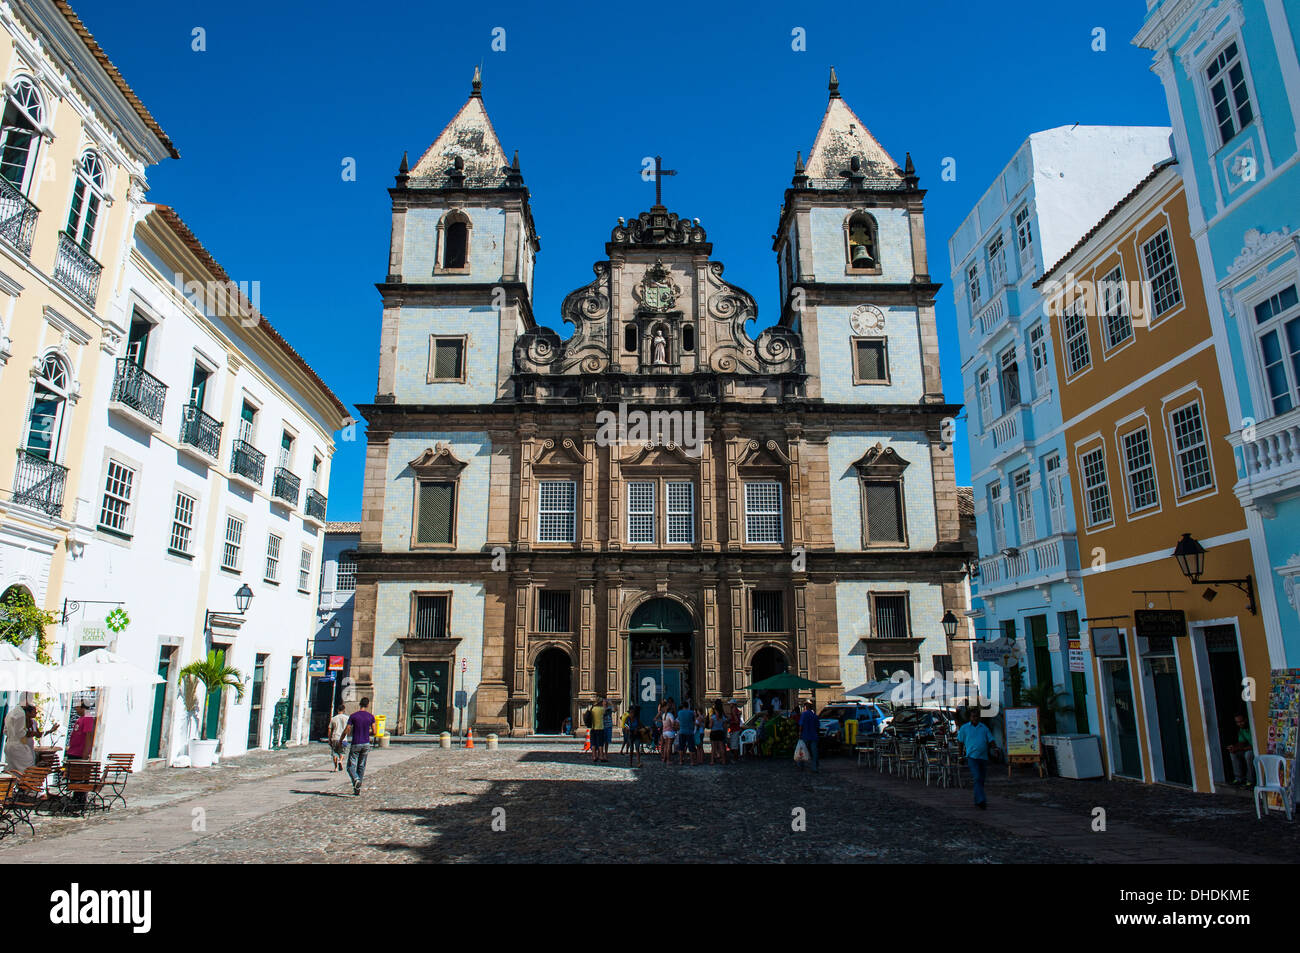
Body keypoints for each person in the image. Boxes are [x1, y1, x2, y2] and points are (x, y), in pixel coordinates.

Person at [956, 707, 995, 809]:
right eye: (973, 716)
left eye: (977, 716)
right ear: (970, 717)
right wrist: (960, 756)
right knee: (977, 777)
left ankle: (977, 798)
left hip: (983, 757)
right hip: (971, 757)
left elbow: (990, 740)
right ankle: (981, 800)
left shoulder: (984, 728)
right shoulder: (964, 728)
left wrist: (994, 749)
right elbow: (960, 742)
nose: (975, 718)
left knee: (981, 779)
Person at [4, 703, 56, 775]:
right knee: (22, 770)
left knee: (24, 770)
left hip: (28, 749)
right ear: (28, 712)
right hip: (18, 749)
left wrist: (50, 731)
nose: (36, 713)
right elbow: (21, 734)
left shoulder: (34, 722)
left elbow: (38, 735)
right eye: (34, 711)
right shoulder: (20, 721)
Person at [341, 698, 377, 795]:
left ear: (360, 704)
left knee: (350, 766)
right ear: (368, 705)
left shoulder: (353, 716)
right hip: (366, 743)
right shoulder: (371, 717)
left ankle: (356, 779)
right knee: (361, 766)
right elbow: (374, 732)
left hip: (356, 743)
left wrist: (341, 739)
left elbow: (347, 729)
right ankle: (357, 789)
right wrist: (367, 731)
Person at [1227, 713, 1254, 786]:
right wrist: (1234, 747)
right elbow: (1242, 742)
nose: (1240, 724)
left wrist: (1242, 748)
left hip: (1255, 751)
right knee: (1233, 753)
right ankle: (1239, 779)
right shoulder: (1242, 730)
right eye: (1237, 722)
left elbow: (1255, 746)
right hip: (1247, 749)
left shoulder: (1252, 727)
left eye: (1241, 721)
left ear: (1246, 720)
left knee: (1248, 754)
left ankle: (1250, 780)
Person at [797, 700, 820, 772]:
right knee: (814, 753)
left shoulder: (804, 714)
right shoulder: (814, 715)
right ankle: (814, 767)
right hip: (814, 736)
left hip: (805, 736)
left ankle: (801, 765)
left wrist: (800, 733)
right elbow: (818, 727)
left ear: (806, 707)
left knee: (802, 751)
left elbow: (801, 725)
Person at [328, 702, 349, 771]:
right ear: (344, 710)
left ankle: (336, 767)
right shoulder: (347, 718)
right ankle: (340, 760)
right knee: (342, 752)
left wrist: (329, 739)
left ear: (337, 710)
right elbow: (349, 727)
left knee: (334, 752)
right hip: (344, 739)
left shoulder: (333, 718)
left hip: (335, 738)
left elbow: (329, 729)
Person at [709, 700, 730, 765]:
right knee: (722, 747)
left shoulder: (713, 717)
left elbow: (710, 726)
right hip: (720, 732)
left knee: (713, 748)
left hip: (714, 732)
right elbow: (724, 725)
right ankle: (723, 760)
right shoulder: (723, 717)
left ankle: (712, 761)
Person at [589, 697, 608, 763]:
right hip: (600, 728)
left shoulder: (592, 709)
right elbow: (605, 712)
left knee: (593, 743)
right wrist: (605, 705)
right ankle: (601, 756)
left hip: (593, 728)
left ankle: (594, 756)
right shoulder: (601, 709)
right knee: (600, 743)